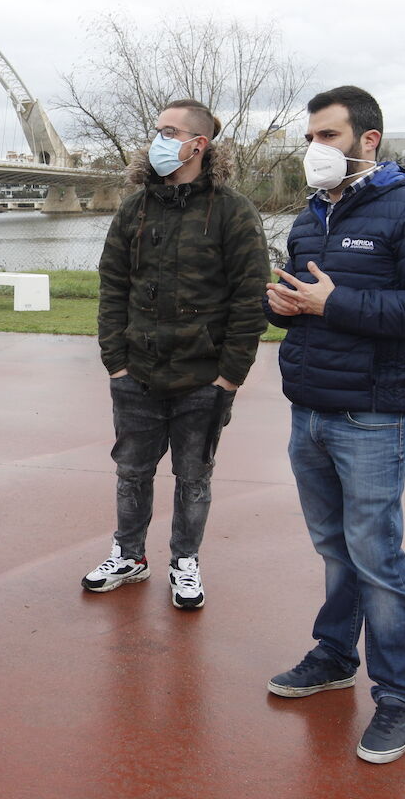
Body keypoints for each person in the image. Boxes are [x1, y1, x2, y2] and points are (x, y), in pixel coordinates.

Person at [263, 85, 405, 765]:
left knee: (377, 559)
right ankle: (333, 655)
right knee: (333, 548)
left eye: (327, 136)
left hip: (371, 414)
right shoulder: (311, 213)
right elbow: (305, 297)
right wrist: (284, 306)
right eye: (310, 136)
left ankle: (398, 696)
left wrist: (333, 304)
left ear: (367, 140)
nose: (314, 148)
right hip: (309, 409)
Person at [85, 99, 270, 609]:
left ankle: (185, 560)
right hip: (136, 375)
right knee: (131, 472)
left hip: (203, 378)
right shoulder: (135, 208)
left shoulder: (233, 212)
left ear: (198, 144)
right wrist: (115, 363)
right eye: (158, 129)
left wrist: (229, 378)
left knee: (193, 477)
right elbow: (112, 287)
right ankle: (129, 555)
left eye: (169, 131)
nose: (158, 139)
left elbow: (248, 300)